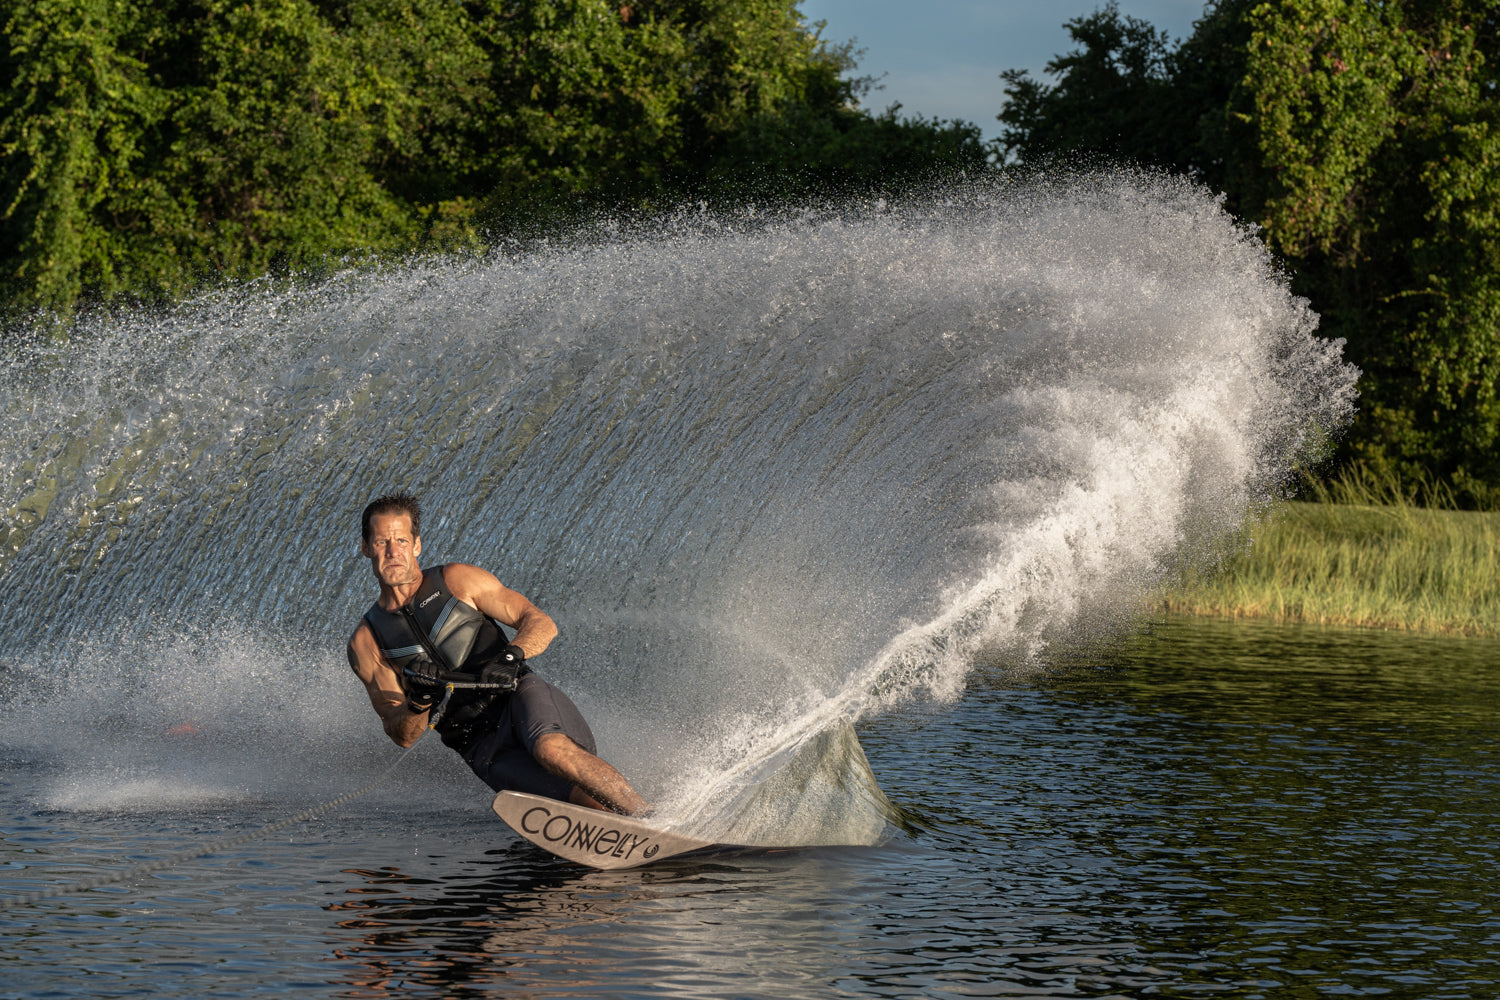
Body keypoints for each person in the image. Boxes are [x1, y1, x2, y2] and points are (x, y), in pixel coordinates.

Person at [347, 492, 649, 815]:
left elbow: (540, 622)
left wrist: (511, 656)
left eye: (402, 541)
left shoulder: (457, 581)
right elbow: (401, 734)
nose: (393, 552)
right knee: (578, 802)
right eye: (381, 542)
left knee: (551, 750)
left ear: (417, 545)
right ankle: (636, 840)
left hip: (520, 697)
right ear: (366, 548)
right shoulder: (367, 642)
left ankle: (650, 816)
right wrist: (418, 702)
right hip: (479, 744)